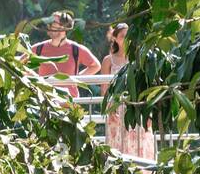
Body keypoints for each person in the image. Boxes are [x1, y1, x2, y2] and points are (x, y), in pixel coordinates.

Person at [100, 22, 156, 160]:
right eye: (122, 36)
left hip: (136, 107)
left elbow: (147, 85)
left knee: (140, 142)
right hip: (116, 109)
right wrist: (109, 109)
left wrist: (149, 112)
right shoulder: (108, 61)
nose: (126, 39)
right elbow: (104, 89)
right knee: (117, 146)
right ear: (114, 38)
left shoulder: (139, 58)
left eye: (128, 36)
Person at [31, 10, 100, 97]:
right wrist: (36, 78)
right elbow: (19, 64)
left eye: (53, 22)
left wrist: (76, 79)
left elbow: (96, 65)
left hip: (70, 105)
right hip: (45, 103)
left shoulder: (76, 49)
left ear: (64, 27)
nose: (49, 25)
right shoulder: (38, 49)